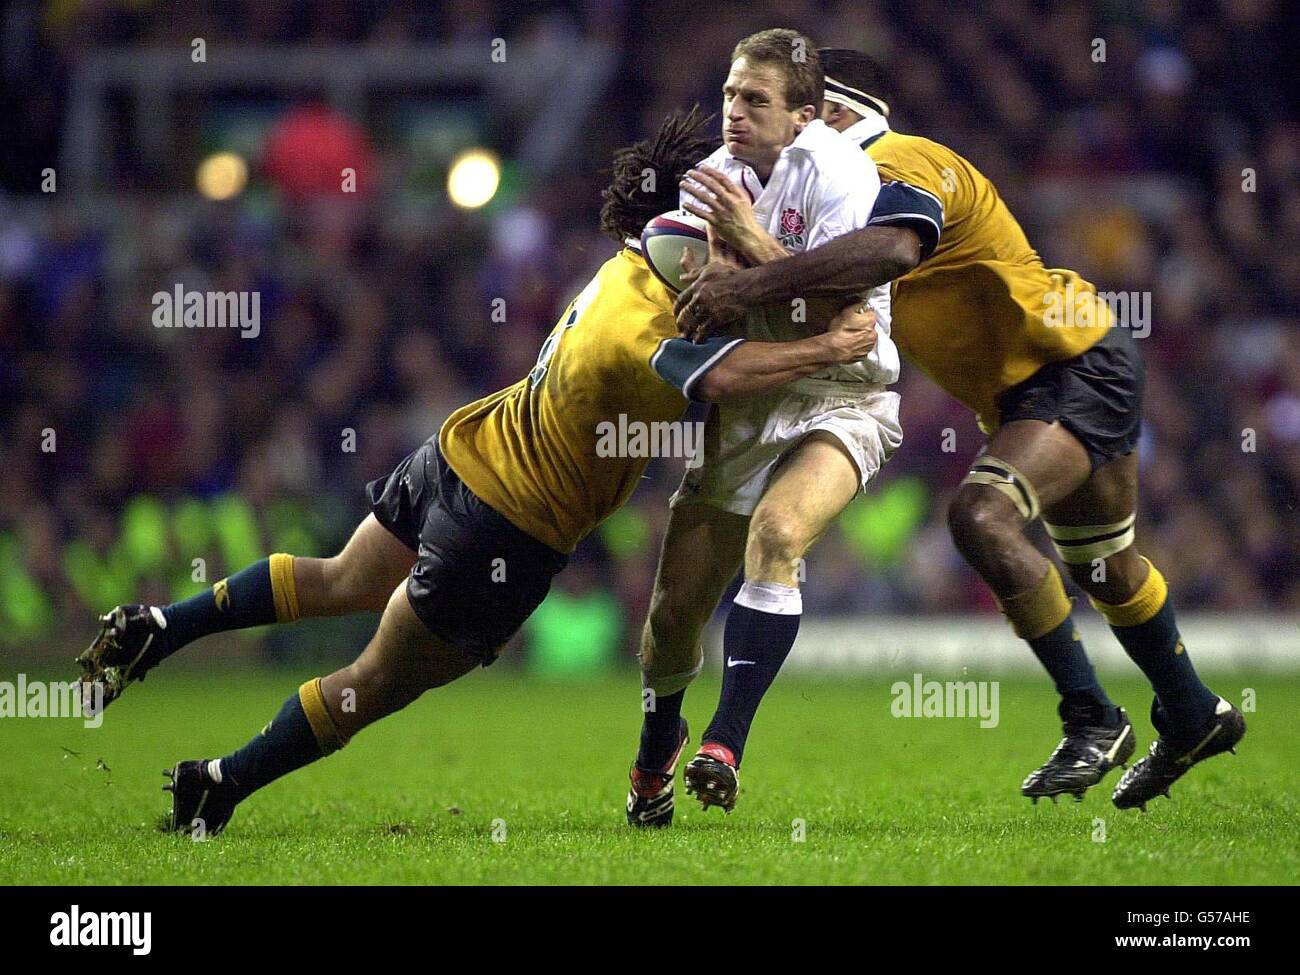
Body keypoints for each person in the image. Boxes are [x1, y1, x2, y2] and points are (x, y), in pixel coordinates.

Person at [75, 107, 880, 836]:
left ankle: (163, 625)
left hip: (462, 450)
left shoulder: (627, 269)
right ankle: (219, 785)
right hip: (508, 526)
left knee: (338, 577)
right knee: (374, 682)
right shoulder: (652, 332)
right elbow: (728, 374)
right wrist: (830, 347)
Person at [670, 48, 1245, 812]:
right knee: (1105, 565)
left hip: (1071, 360)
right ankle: (1194, 709)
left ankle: (1093, 718)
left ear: (835, 113)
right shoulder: (826, 200)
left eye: (796, 108)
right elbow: (831, 293)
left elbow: (894, 248)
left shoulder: (896, 158)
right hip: (1035, 388)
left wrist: (745, 281)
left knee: (981, 514)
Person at [625, 30, 911, 823]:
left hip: (847, 394)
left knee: (779, 536)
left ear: (805, 115)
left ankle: (725, 740)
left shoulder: (840, 172)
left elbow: (844, 308)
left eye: (755, 100)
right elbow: (715, 339)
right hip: (748, 402)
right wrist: (758, 289)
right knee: (671, 622)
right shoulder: (707, 185)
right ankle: (656, 751)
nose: (734, 114)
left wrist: (753, 253)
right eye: (728, 94)